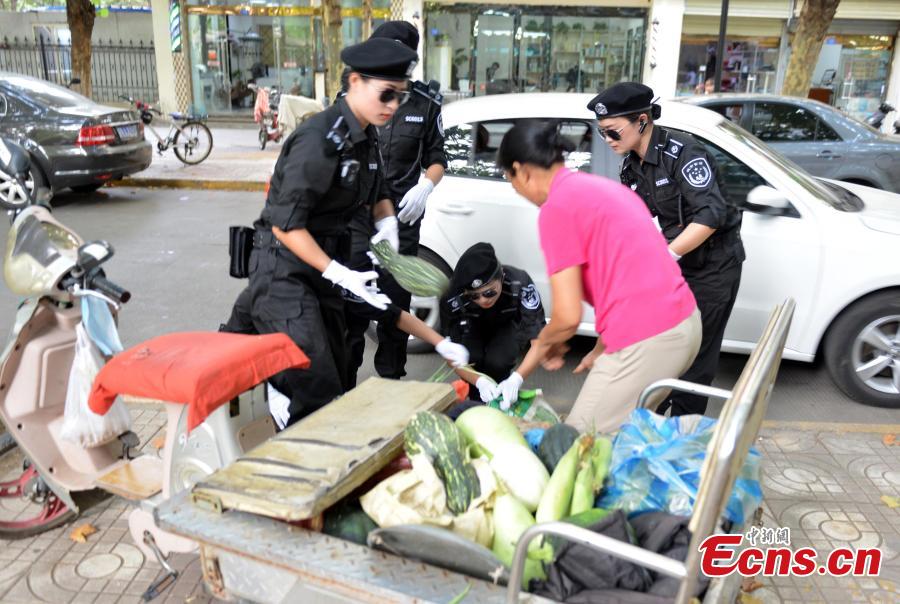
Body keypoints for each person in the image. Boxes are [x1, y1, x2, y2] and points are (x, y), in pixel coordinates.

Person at [220, 38, 467, 426]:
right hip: (284, 272)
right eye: (386, 94)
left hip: (325, 267)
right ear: (355, 81)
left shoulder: (366, 137)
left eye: (399, 97)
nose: (392, 106)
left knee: (337, 371)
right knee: (314, 382)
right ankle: (292, 432)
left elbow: (378, 191)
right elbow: (286, 225)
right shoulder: (319, 140)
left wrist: (386, 224)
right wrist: (337, 272)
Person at [495, 119, 702, 433]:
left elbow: (567, 318)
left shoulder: (557, 209)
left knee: (578, 444)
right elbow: (630, 277)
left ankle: (708, 446)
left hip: (649, 338)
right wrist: (601, 347)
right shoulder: (601, 189)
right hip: (685, 326)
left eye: (511, 180)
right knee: (627, 434)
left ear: (521, 170)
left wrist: (545, 344)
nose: (517, 190)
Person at [588, 82, 745, 416]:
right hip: (676, 265)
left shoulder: (683, 153)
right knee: (667, 347)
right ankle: (655, 424)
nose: (608, 141)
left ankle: (683, 435)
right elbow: (641, 222)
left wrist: (668, 256)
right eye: (602, 134)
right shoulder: (630, 166)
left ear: (642, 121)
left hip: (713, 265)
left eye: (613, 132)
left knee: (696, 357)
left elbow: (711, 214)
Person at [343, 21, 448, 387]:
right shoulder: (356, 98)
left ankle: (389, 382)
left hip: (402, 223)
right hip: (357, 221)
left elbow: (438, 157)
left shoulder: (425, 102)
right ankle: (346, 383)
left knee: (394, 307)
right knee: (351, 307)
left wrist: (425, 186)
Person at [440, 242, 545, 407]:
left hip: (507, 323)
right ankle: (476, 402)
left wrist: (517, 378)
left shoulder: (520, 282)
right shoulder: (452, 295)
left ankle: (502, 397)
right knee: (471, 359)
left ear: (501, 276)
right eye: (474, 296)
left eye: (489, 292)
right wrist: (479, 381)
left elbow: (540, 342)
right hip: (471, 325)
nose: (483, 300)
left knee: (498, 362)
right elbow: (450, 354)